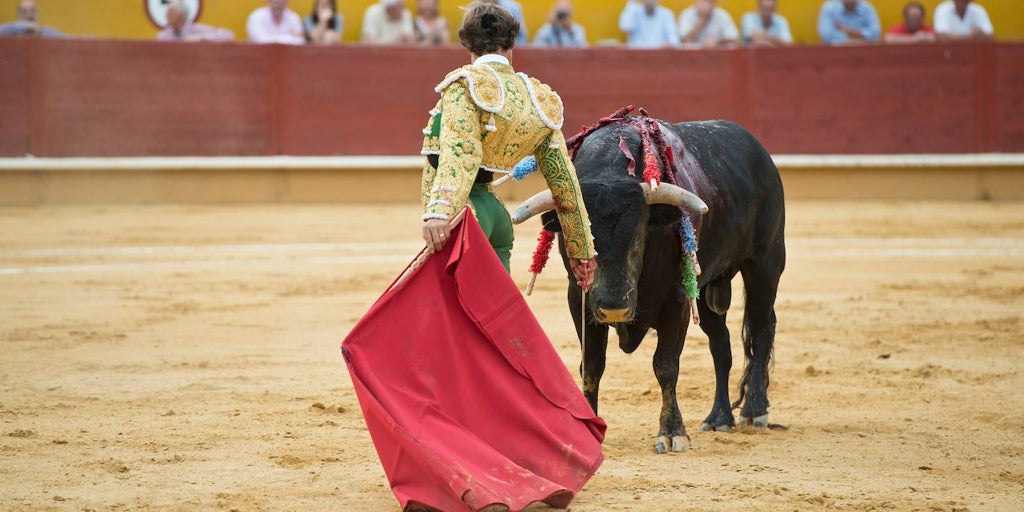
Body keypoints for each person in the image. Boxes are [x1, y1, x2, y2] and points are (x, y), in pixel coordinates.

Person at [420, 1, 596, 286]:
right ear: (513, 41)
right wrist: (582, 249)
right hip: (496, 216)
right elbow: (565, 182)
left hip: (464, 218)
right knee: (496, 314)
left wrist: (440, 212)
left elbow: (460, 153)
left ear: (467, 44)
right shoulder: (538, 97)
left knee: (449, 320)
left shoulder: (464, 85)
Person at [157, 0, 234, 42]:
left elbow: (228, 35)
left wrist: (202, 38)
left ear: (181, 15)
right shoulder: (165, 34)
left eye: (170, 13)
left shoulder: (197, 29)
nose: (167, 16)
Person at [817, 0, 881, 45]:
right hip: (835, 52)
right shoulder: (829, 8)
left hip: (864, 51)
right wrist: (858, 39)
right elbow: (827, 36)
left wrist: (848, 31)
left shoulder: (867, 8)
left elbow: (875, 34)